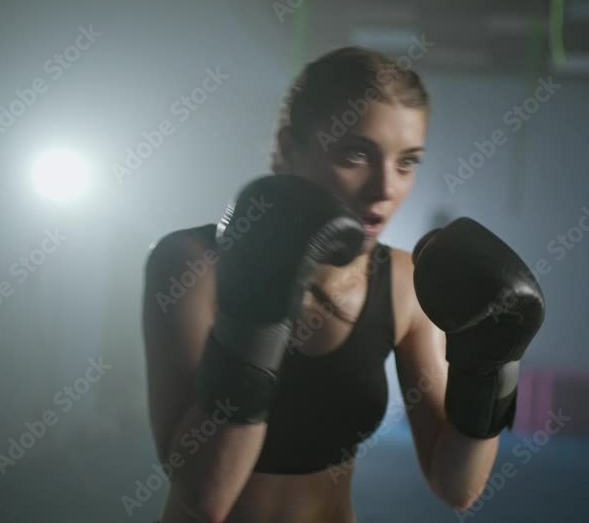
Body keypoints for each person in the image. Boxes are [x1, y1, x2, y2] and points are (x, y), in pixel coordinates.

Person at [142, 46, 545, 523]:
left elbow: (456, 486)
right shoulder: (192, 265)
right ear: (289, 148)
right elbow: (205, 495)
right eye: (356, 154)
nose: (385, 188)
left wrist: (491, 368)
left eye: (407, 162)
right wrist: (259, 308)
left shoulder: (402, 282)